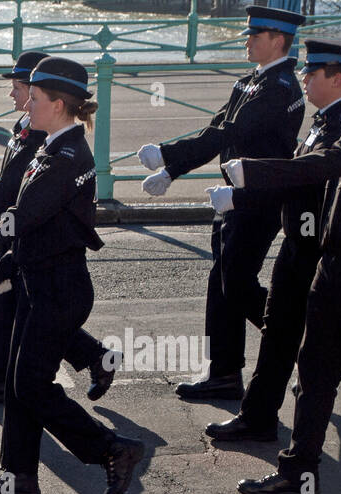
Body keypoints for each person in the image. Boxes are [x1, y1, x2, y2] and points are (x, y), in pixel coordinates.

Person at [0, 57, 145, 494]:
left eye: (34, 98)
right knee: (19, 384)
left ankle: (112, 448)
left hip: (59, 291)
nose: (25, 105)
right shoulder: (54, 145)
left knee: (31, 385)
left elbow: (23, 215)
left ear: (59, 104)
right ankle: (18, 480)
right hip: (41, 284)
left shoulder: (66, 156)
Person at [136, 4, 306, 401]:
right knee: (223, 284)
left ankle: (301, 341)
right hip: (230, 198)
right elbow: (217, 131)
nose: (246, 40)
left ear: (277, 41)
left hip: (256, 200)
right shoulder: (251, 82)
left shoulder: (280, 90)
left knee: (239, 285)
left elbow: (230, 131)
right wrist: (172, 171)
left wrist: (165, 153)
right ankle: (225, 373)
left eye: (255, 36)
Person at [225, 30, 341, 494]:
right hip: (334, 263)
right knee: (314, 373)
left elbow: (335, 161)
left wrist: (255, 175)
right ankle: (298, 474)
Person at [0, 50, 115, 407]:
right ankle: (89, 358)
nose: (13, 96)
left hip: (27, 231)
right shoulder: (26, 128)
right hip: (19, 227)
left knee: (23, 305)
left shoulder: (46, 140)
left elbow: (14, 189)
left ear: (43, 95)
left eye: (19, 88)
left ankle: (6, 381)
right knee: (22, 306)